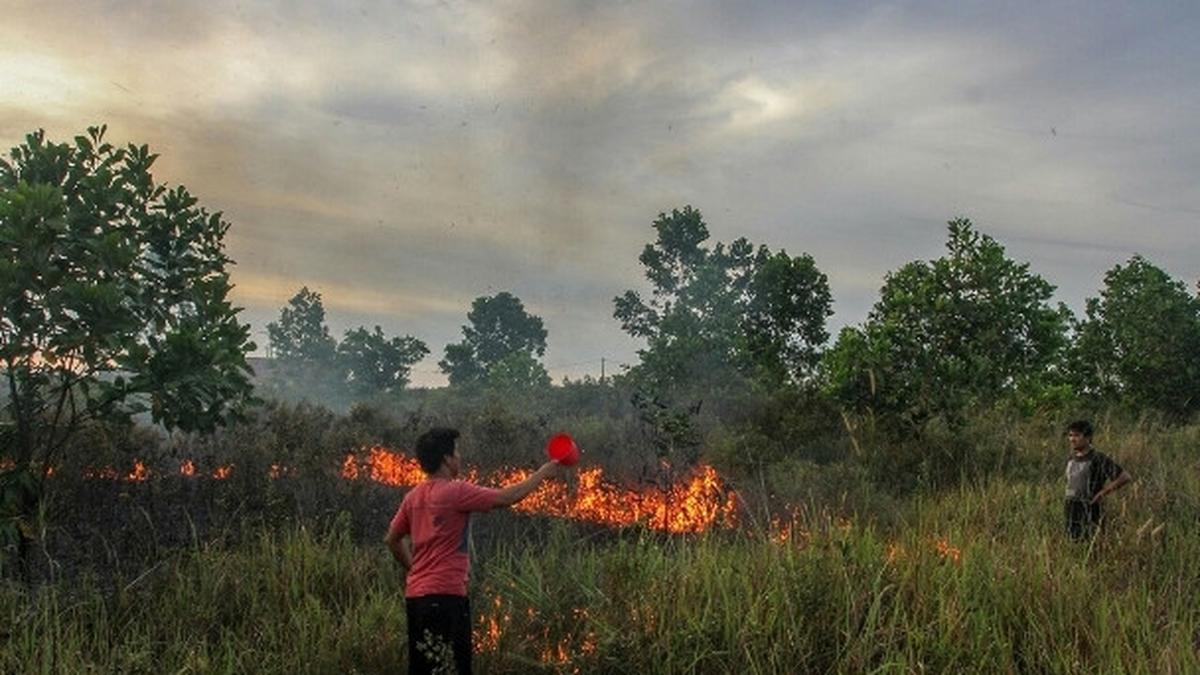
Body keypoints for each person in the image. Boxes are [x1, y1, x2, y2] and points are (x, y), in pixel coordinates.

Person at [384, 427, 567, 675]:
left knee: (424, 669)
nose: (460, 457)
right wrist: (543, 473)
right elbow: (506, 498)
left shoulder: (413, 498)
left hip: (416, 599)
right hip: (447, 597)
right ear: (447, 459)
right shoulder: (456, 492)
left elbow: (393, 540)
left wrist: (415, 570)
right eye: (456, 452)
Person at [1063, 420, 1133, 540]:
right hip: (1071, 506)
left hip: (1090, 508)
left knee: (1092, 542)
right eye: (1070, 435)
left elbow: (1124, 477)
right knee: (1072, 543)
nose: (1072, 439)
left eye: (1077, 435)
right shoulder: (1071, 458)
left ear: (1088, 437)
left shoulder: (1098, 458)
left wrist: (1103, 493)